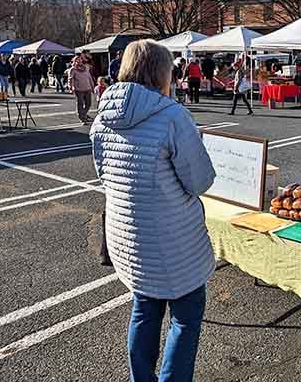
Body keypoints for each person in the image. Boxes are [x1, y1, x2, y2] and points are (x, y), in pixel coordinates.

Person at [89, 39, 215, 382]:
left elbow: (104, 175)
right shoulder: (172, 116)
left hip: (128, 234)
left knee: (144, 307)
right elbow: (200, 180)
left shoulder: (102, 119)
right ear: (162, 73)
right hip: (173, 240)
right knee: (186, 317)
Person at [69, 56, 94, 123]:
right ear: (74, 61)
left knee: (88, 104)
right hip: (79, 89)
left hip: (87, 88)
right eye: (77, 60)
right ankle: (82, 117)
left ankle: (83, 114)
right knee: (80, 104)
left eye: (80, 59)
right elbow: (70, 79)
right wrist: (71, 87)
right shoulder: (73, 69)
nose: (79, 61)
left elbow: (89, 78)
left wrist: (92, 86)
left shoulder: (86, 68)